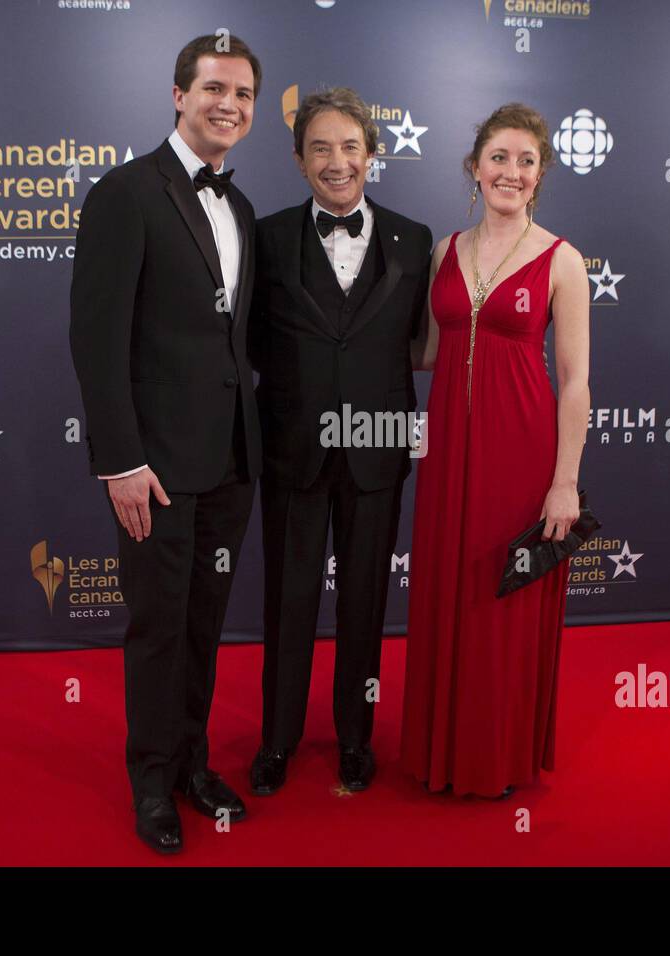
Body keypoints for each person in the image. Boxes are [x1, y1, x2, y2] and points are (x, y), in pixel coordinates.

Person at [68, 34, 262, 854]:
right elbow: (96, 338)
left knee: (204, 622)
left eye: (245, 94)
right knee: (157, 626)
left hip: (228, 463)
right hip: (152, 467)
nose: (230, 105)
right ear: (178, 95)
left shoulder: (242, 207)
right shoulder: (125, 192)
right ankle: (149, 782)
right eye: (215, 87)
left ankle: (190, 761)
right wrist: (120, 459)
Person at [400, 103, 591, 799]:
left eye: (526, 161)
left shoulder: (563, 259)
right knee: (451, 591)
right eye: (499, 158)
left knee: (502, 600)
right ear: (474, 168)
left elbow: (575, 383)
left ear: (540, 177)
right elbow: (425, 350)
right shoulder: (443, 252)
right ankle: (440, 749)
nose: (511, 172)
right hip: (449, 450)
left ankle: (495, 756)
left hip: (522, 453)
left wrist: (564, 483)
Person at [247, 88, 432, 796]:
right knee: (288, 603)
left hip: (379, 448)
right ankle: (277, 740)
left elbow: (415, 338)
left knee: (365, 603)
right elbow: (255, 343)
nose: (337, 161)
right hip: (294, 446)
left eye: (350, 146)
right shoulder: (264, 238)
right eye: (320, 148)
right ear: (298, 160)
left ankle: (357, 736)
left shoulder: (414, 240)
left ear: (371, 155)